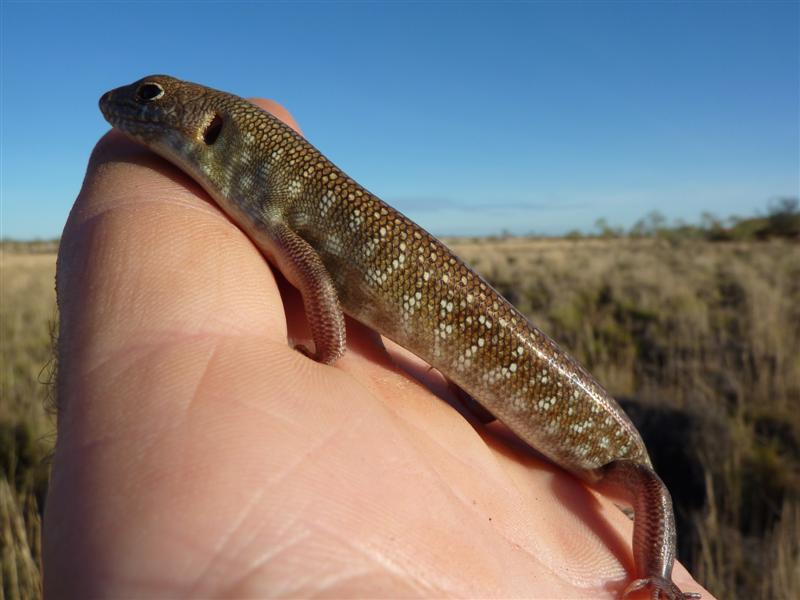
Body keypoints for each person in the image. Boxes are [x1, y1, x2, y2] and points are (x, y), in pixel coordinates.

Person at [44, 98, 707, 599]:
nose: (131, 104)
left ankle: (656, 577)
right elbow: (311, 271)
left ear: (209, 126)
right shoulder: (277, 210)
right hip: (489, 403)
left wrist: (326, 355)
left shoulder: (284, 218)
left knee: (646, 483)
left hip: (595, 447)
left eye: (153, 97)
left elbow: (315, 282)